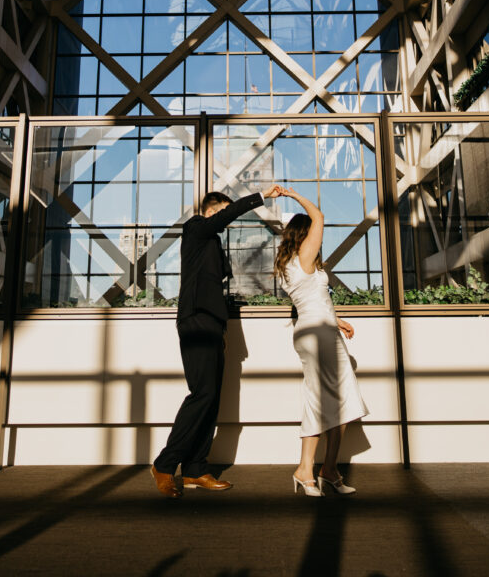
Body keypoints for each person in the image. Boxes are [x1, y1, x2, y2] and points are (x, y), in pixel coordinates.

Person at [151, 184, 282, 498]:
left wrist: (222, 331)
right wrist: (259, 196)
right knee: (201, 394)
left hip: (212, 323)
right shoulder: (195, 228)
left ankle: (196, 469)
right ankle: (165, 464)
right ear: (211, 210)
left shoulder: (210, 241)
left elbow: (217, 281)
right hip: (195, 319)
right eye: (223, 214)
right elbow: (223, 218)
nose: (227, 222)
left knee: (211, 398)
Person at [274, 186, 368, 497]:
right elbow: (320, 215)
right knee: (323, 400)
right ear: (304, 235)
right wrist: (290, 193)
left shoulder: (292, 264)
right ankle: (305, 469)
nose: (320, 238)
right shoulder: (304, 256)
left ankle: (328, 469)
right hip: (318, 335)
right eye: (314, 234)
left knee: (343, 401)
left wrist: (336, 320)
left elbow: (311, 300)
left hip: (317, 329)